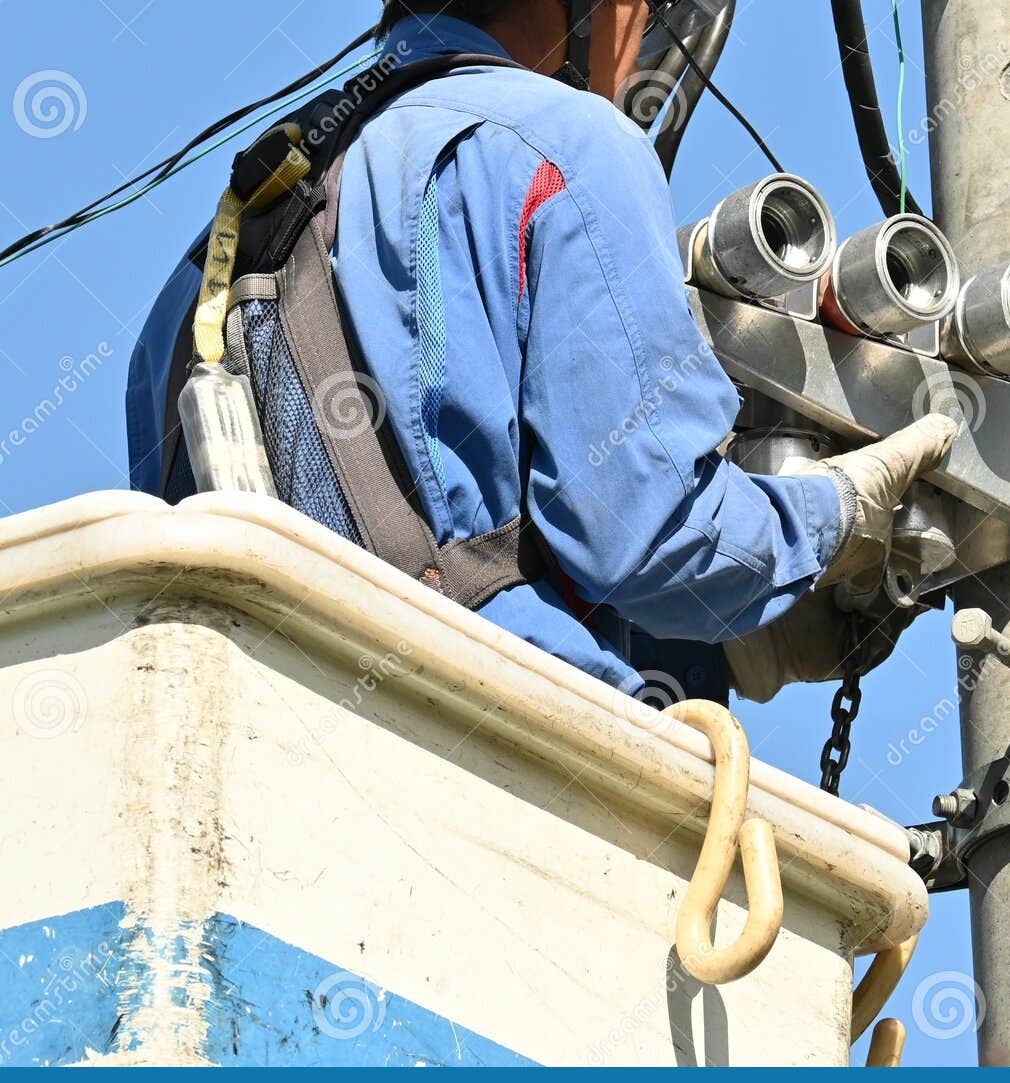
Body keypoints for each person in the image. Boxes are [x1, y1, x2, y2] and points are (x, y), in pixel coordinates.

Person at [125, 0, 955, 705]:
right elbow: (646, 538)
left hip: (263, 745)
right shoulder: (565, 143)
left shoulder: (199, 276)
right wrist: (838, 512)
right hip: (498, 739)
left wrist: (728, 649)